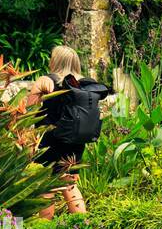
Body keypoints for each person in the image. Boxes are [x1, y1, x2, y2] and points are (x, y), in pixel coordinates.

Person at [28, 46, 112, 174]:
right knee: (69, 184)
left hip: (50, 139)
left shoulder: (45, 81)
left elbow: (29, 112)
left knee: (46, 186)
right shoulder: (85, 85)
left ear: (55, 61)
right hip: (76, 139)